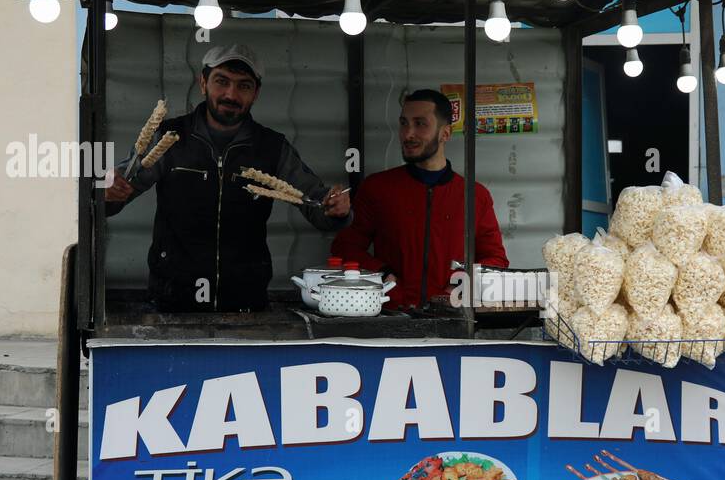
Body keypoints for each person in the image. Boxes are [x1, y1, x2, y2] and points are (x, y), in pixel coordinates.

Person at [106, 44, 350, 312]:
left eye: (243, 86)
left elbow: (316, 203)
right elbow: (120, 190)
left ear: (256, 93)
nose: (230, 94)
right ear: (203, 83)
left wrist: (335, 209)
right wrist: (108, 193)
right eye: (221, 82)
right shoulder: (169, 137)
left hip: (246, 298)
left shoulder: (271, 147)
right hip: (173, 296)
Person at [330, 89, 508, 308]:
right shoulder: (377, 188)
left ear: (445, 133)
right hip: (390, 320)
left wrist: (463, 282)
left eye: (420, 124)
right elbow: (345, 247)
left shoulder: (475, 196)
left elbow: (496, 260)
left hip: (454, 321)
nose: (408, 134)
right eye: (404, 123)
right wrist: (382, 273)